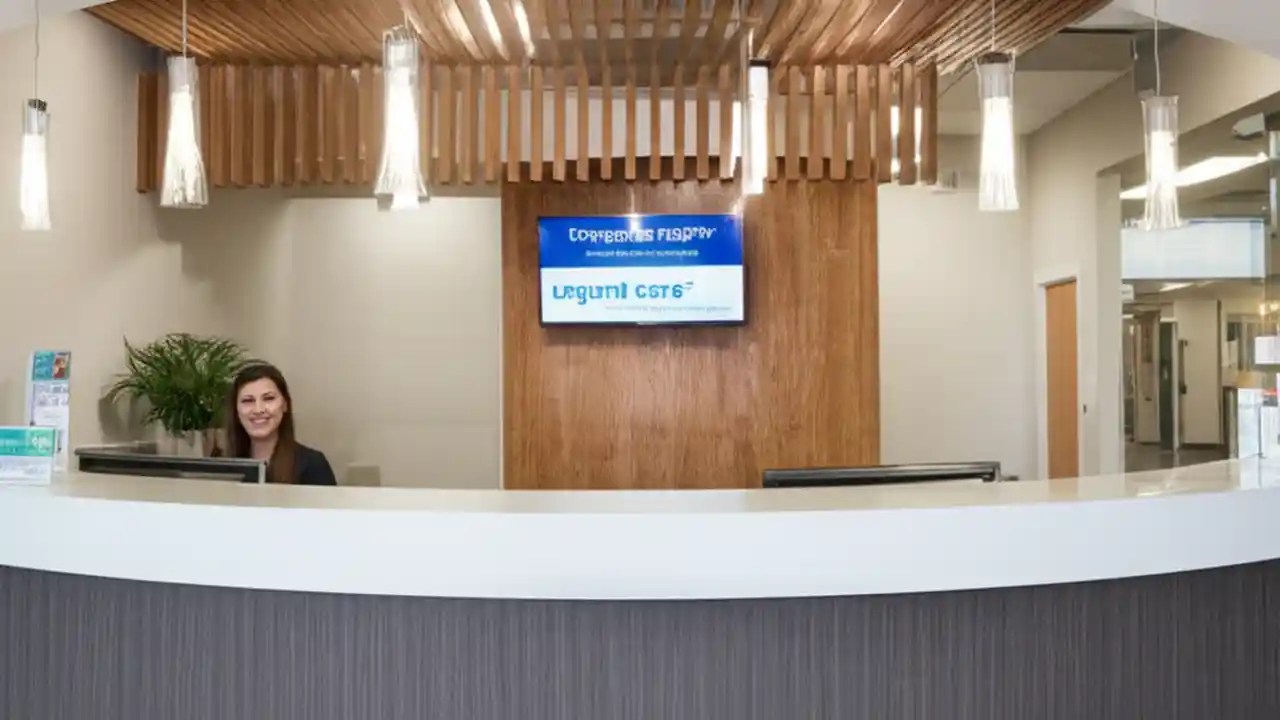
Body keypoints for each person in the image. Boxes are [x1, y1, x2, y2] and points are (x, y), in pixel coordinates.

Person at [223, 363, 336, 486]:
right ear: (236, 410)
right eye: (248, 401)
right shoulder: (223, 467)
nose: (258, 409)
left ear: (285, 405)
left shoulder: (313, 464)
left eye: (268, 398)